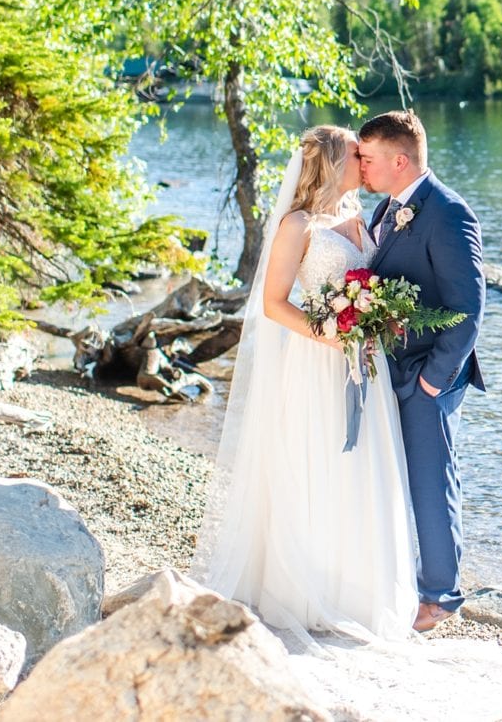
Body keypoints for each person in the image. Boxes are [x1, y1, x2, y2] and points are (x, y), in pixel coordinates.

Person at [196, 125, 419, 639]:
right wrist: (332, 335)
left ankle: (360, 588)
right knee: (317, 461)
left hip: (364, 362)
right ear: (335, 163)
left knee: (363, 467)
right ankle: (308, 588)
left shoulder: (361, 215)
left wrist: (378, 320)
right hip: (317, 361)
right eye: (358, 156)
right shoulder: (297, 224)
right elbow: (274, 304)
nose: (366, 162)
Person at [357, 110, 487, 633]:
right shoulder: (385, 208)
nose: (361, 167)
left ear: (399, 160)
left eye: (368, 158)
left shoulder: (449, 213)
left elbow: (468, 310)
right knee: (395, 479)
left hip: (429, 379)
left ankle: (440, 597)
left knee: (431, 484)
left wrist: (434, 380)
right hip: (390, 373)